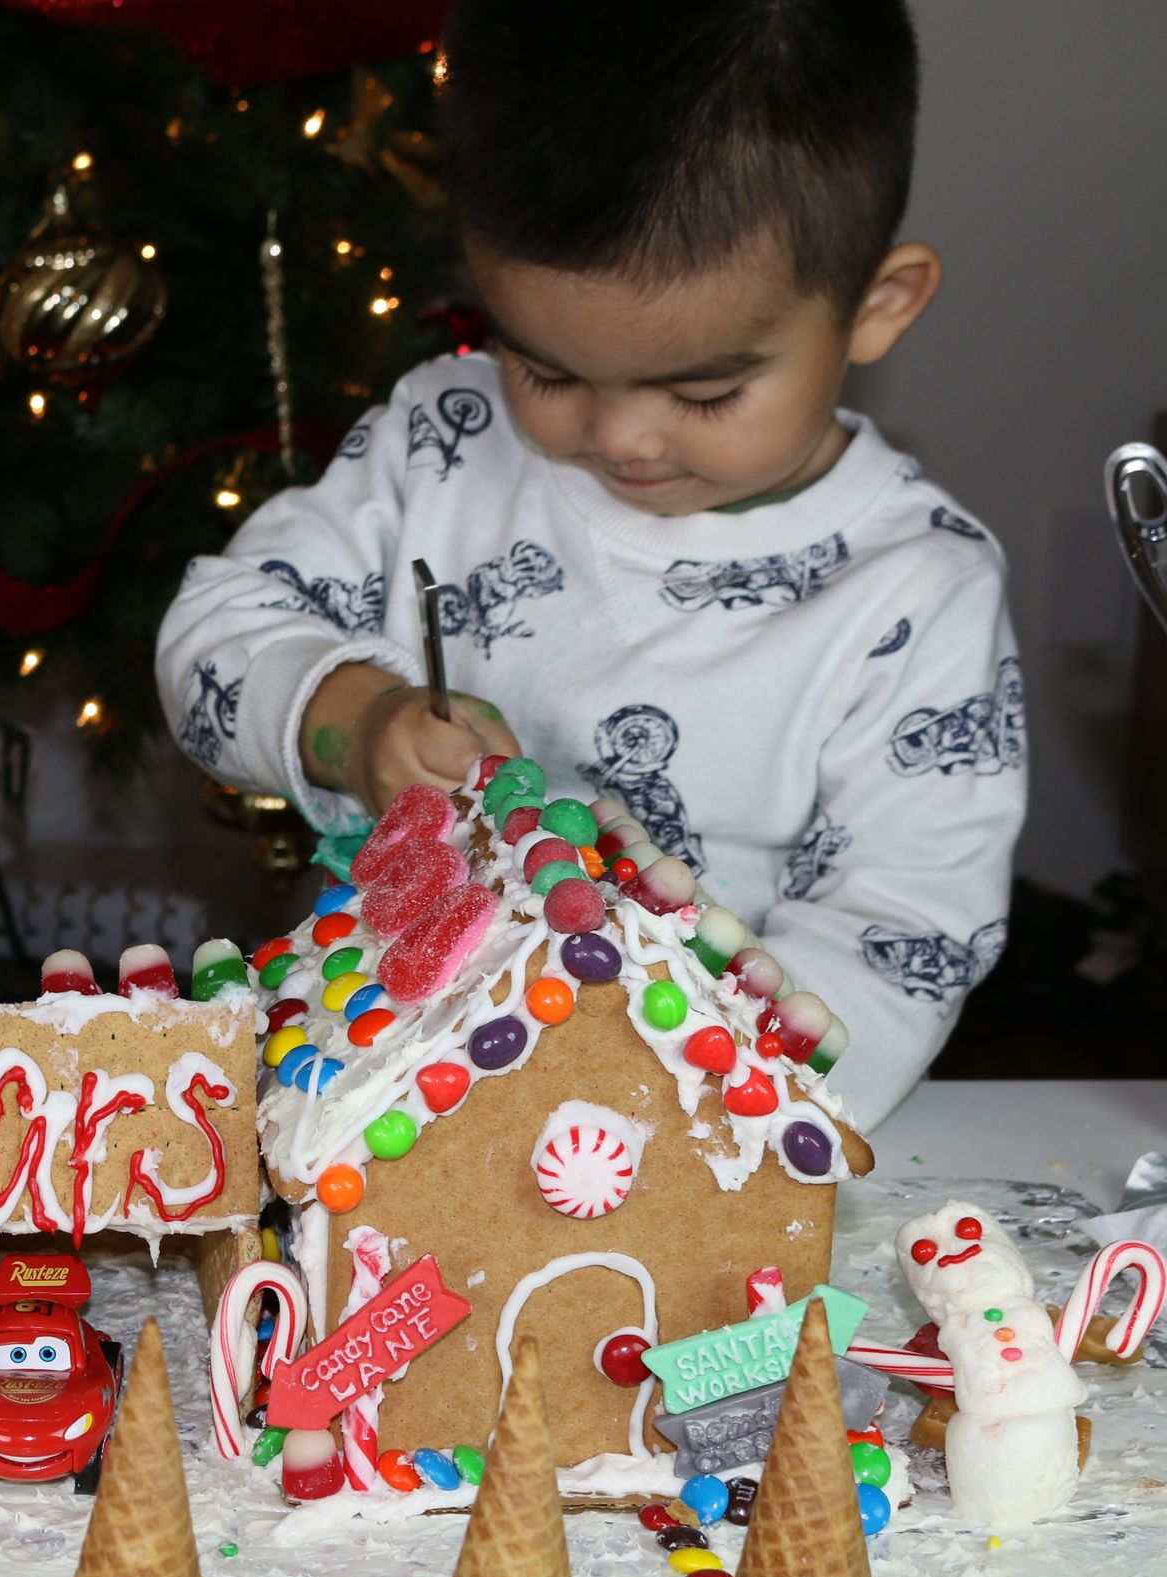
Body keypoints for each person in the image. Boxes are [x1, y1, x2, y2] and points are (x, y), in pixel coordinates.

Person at [156, 0, 1023, 1129]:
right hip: (370, 1089)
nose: (622, 439)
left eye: (705, 392)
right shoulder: (446, 442)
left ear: (877, 305)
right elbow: (216, 631)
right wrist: (352, 720)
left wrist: (730, 1116)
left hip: (693, 1131)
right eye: (546, 369)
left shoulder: (918, 588)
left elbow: (904, 930)